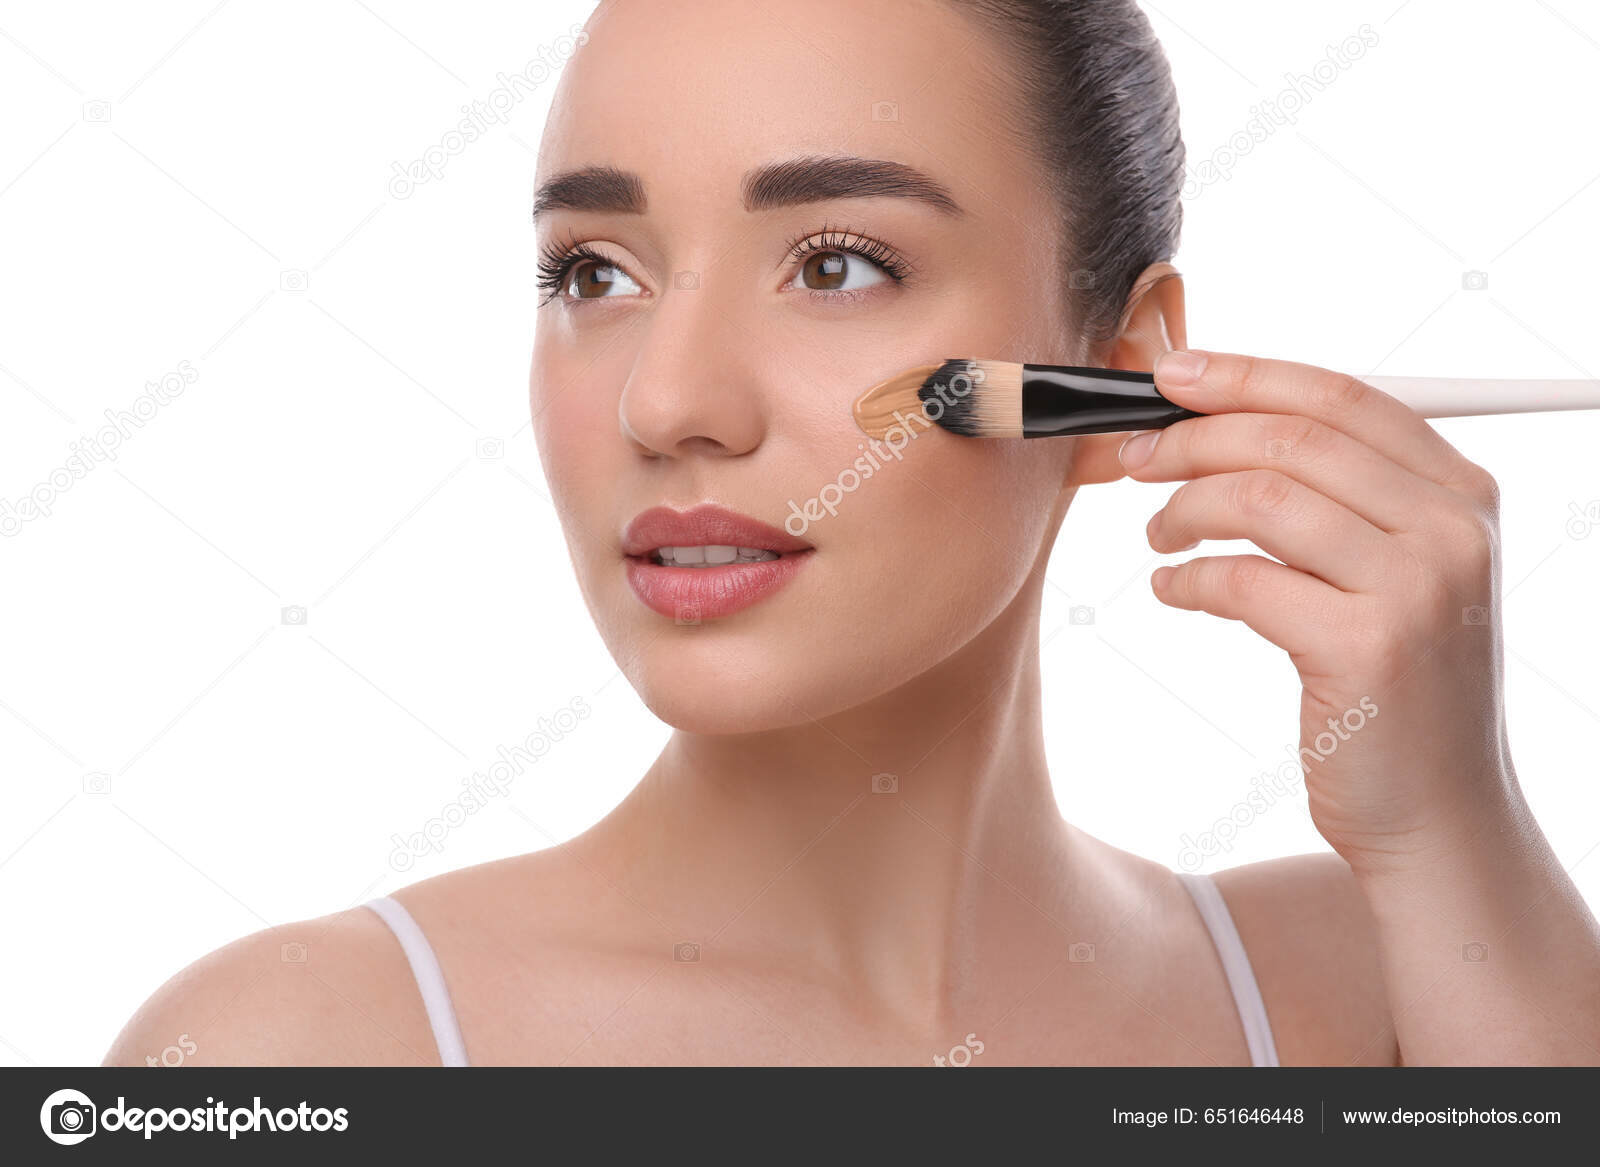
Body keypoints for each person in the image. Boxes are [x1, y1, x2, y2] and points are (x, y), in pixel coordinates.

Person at [107, 0, 1600, 1066]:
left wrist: (1446, 822)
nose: (668, 399)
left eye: (835, 264)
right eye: (593, 273)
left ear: (1119, 376)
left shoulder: (1375, 981)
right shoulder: (299, 1054)